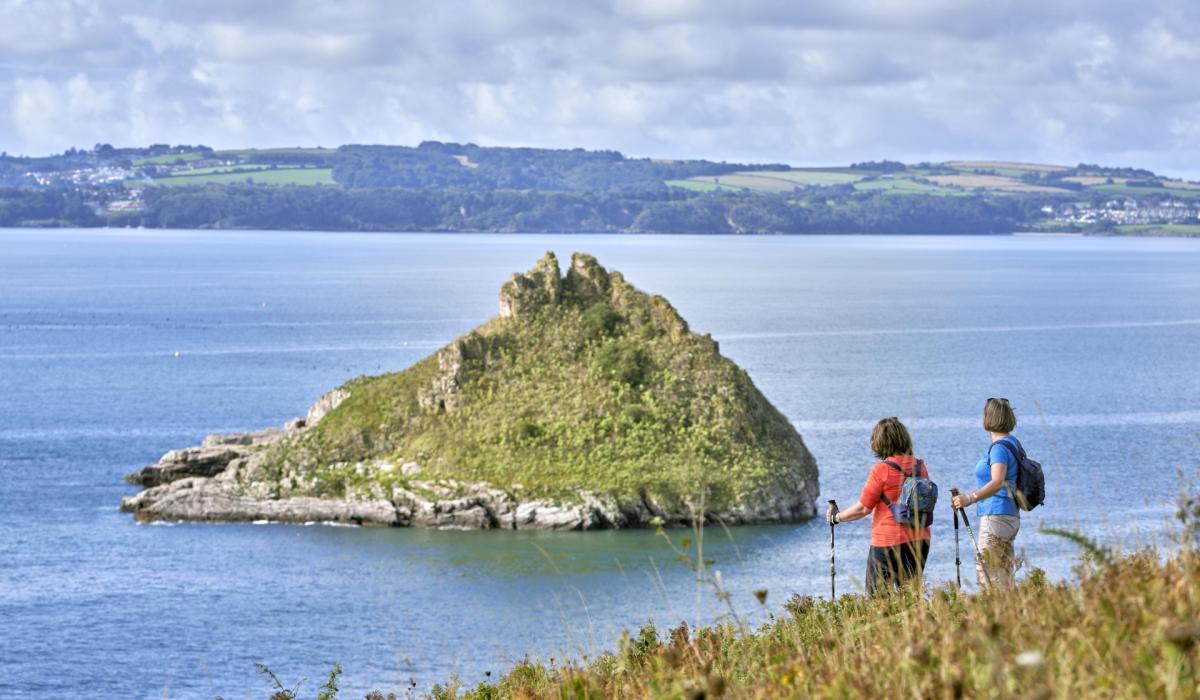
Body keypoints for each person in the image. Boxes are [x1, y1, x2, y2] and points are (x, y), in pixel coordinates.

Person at [825, 417, 931, 596]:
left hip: (888, 542)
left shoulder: (881, 470)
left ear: (879, 442)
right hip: (919, 539)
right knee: (911, 597)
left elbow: (863, 509)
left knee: (878, 600)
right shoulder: (919, 466)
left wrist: (837, 517)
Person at [951, 397, 1021, 589]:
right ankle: (1010, 613)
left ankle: (995, 614)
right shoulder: (1013, 443)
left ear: (988, 418)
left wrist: (970, 498)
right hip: (1009, 515)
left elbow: (997, 481)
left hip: (996, 516)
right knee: (1002, 572)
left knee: (988, 573)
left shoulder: (999, 448)